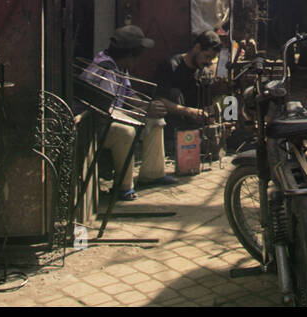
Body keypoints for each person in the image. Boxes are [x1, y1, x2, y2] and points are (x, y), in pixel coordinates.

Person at [79, 25, 175, 201]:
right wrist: (141, 114)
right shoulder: (106, 69)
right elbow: (107, 111)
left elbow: (128, 94)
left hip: (109, 115)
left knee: (156, 120)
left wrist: (147, 107)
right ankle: (123, 186)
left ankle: (152, 174)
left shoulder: (120, 66)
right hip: (95, 124)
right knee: (126, 132)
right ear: (130, 56)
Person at [152, 30, 223, 135]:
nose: (208, 62)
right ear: (197, 48)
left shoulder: (204, 73)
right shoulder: (171, 66)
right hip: (171, 128)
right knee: (174, 93)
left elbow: (206, 105)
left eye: (211, 59)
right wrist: (189, 112)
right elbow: (159, 100)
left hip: (195, 129)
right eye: (207, 56)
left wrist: (209, 118)